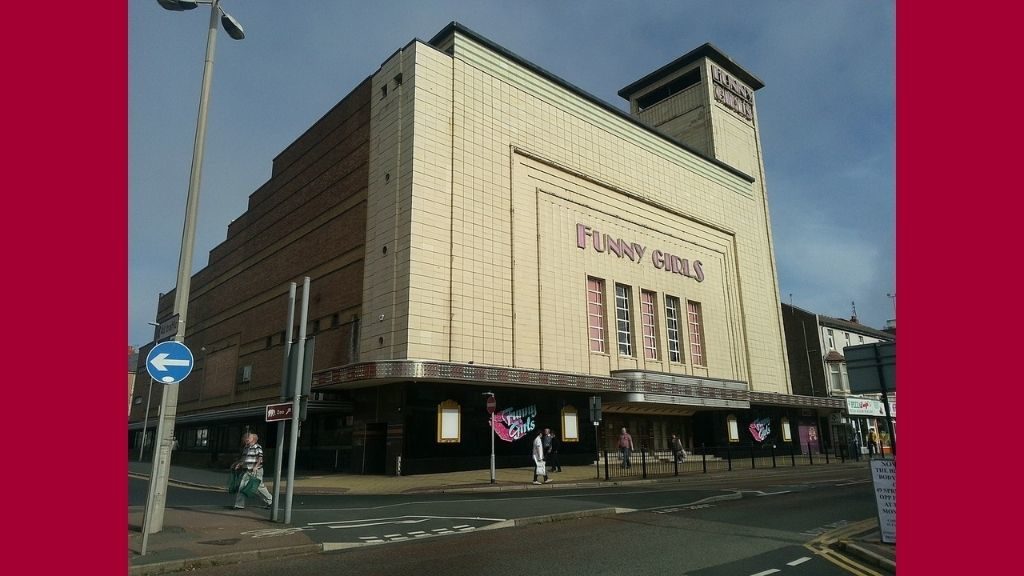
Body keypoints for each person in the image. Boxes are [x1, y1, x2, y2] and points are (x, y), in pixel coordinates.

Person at [232, 432, 273, 509]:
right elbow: (244, 459)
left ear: (254, 439)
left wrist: (256, 466)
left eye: (249, 438)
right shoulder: (246, 448)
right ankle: (239, 505)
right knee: (242, 486)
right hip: (247, 470)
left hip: (257, 470)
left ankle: (270, 501)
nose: (246, 439)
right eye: (245, 438)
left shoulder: (257, 447)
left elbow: (260, 458)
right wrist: (239, 464)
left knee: (259, 487)